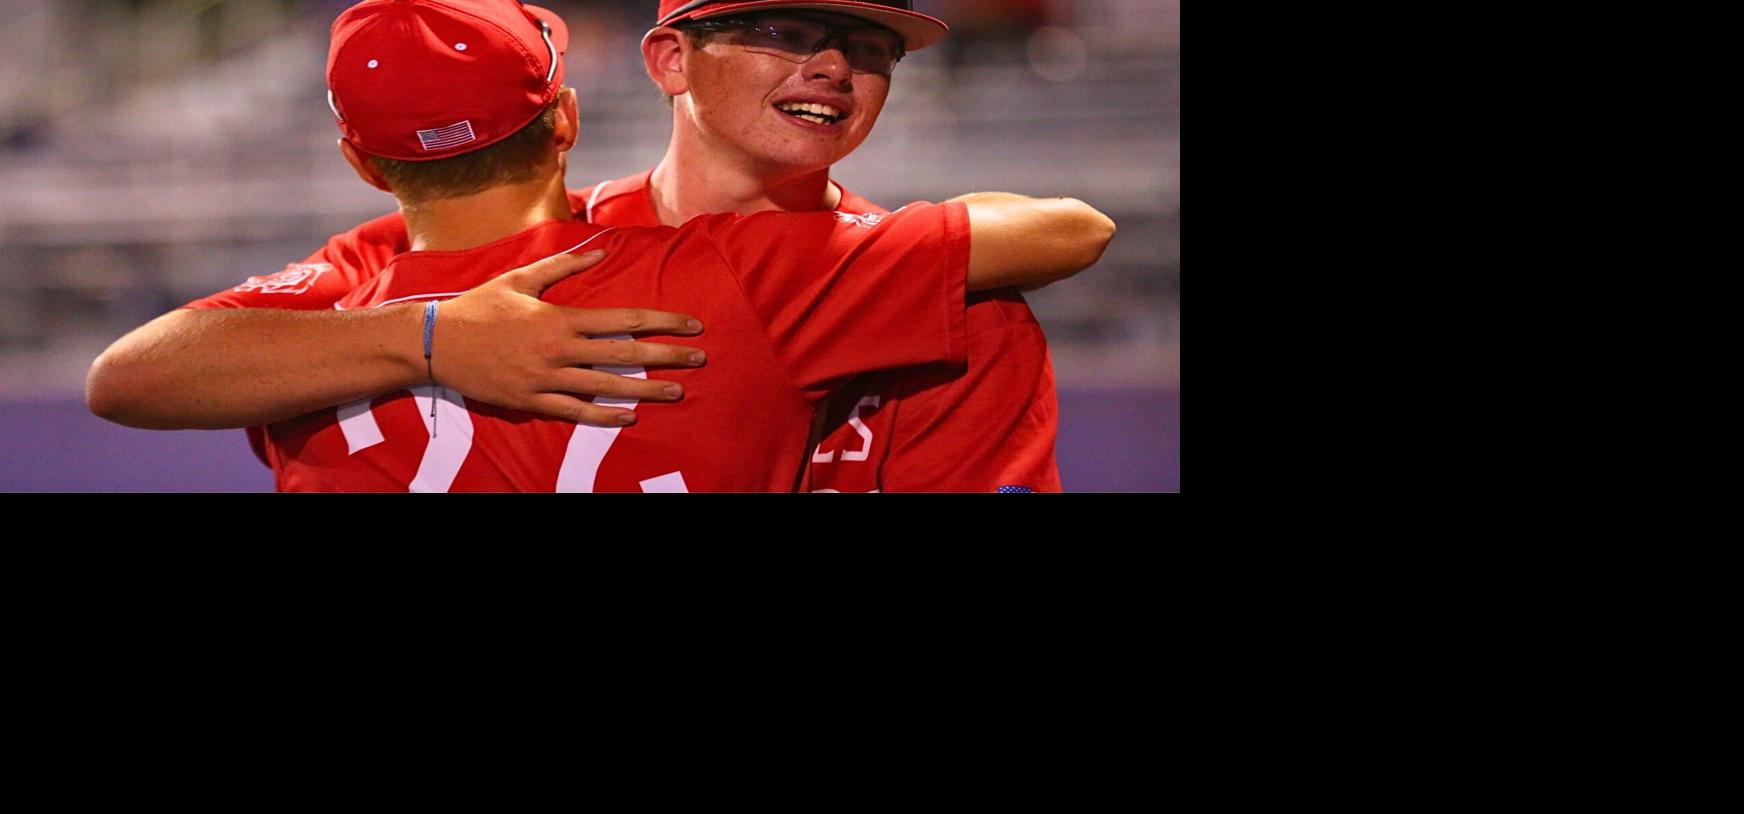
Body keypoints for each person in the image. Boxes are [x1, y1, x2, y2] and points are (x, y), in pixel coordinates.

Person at [89, 0, 1111, 491]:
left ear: (366, 164)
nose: (836, 66)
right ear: (660, 62)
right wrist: (435, 336)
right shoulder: (768, 274)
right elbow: (1072, 226)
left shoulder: (955, 308)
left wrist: (426, 334)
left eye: (870, 46)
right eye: (785, 33)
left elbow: (131, 380)